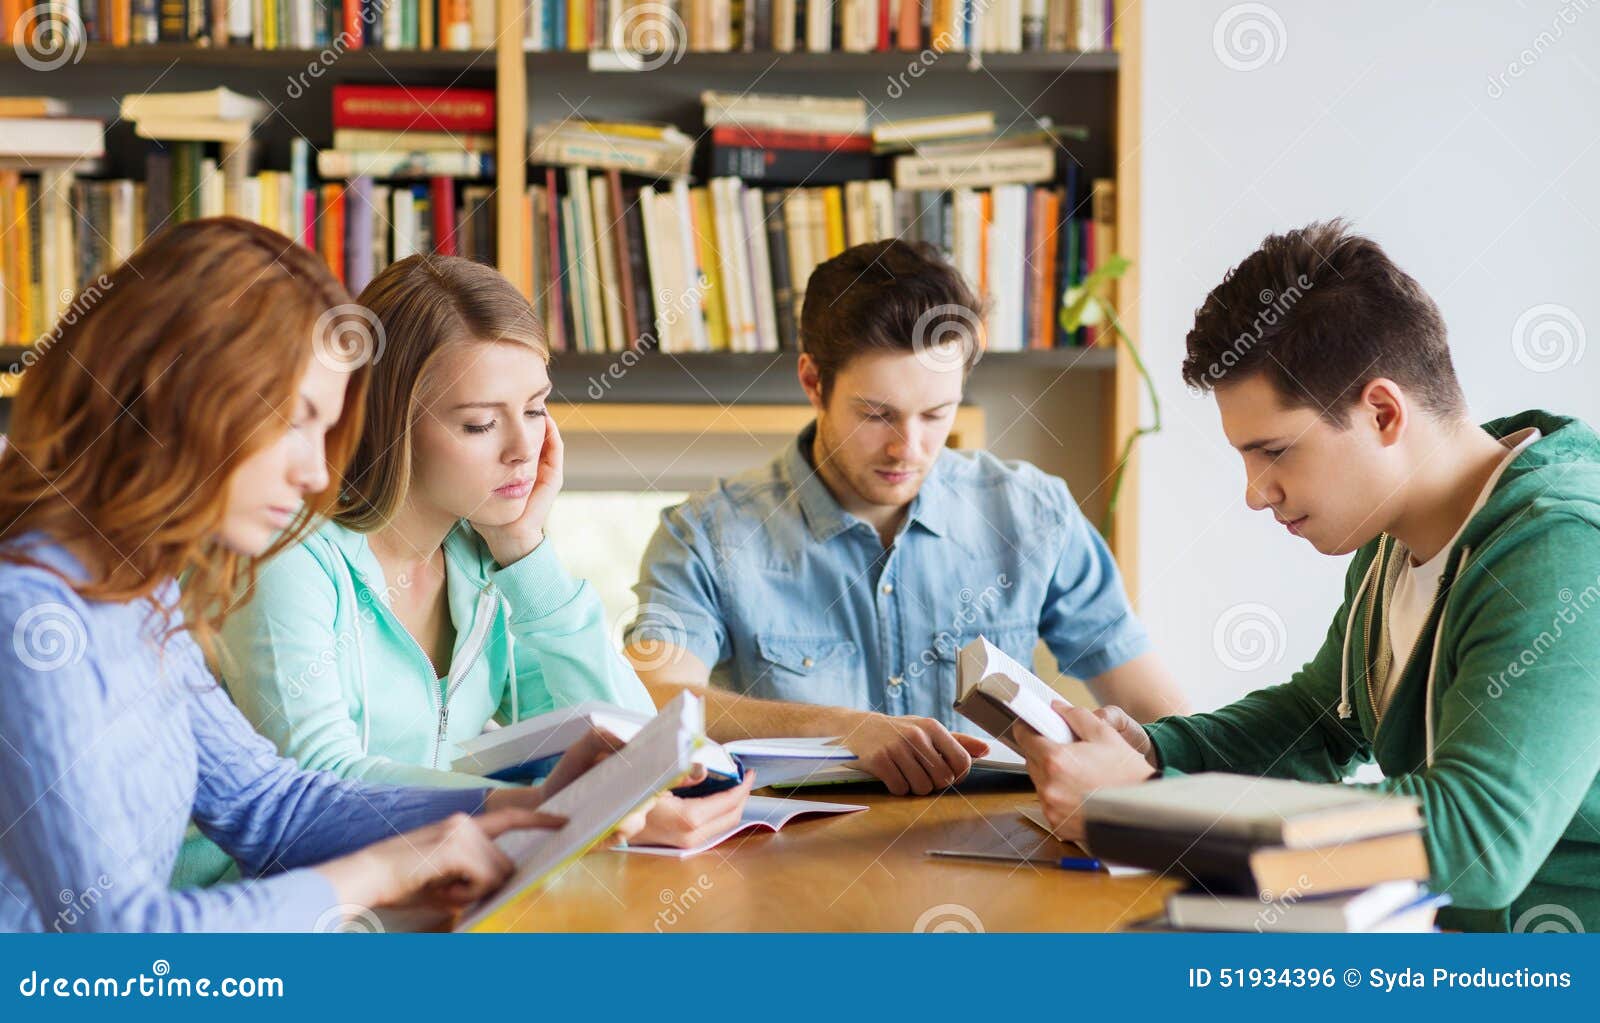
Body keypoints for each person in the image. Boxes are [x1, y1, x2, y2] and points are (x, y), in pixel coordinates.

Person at [0, 218, 644, 932]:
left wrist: (520, 806)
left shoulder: (134, 590)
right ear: (179, 394)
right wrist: (375, 872)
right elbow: (119, 942)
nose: (314, 471)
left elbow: (268, 803)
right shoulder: (27, 616)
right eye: (293, 422)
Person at [1012, 220, 1600, 932]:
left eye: (1275, 452)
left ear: (1383, 412)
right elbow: (1317, 723)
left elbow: (1481, 838)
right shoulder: (1391, 539)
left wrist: (1145, 806)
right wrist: (1154, 748)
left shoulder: (1561, 546)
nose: (1257, 492)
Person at [217, 255, 751, 851]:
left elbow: (629, 739)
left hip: (428, 891)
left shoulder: (483, 558)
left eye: (533, 408)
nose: (524, 448)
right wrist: (553, 808)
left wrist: (525, 552)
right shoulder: (289, 550)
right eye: (478, 425)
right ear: (387, 423)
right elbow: (319, 778)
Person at [626, 239, 1189, 796]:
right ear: (813, 382)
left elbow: (1160, 713)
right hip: (790, 863)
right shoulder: (705, 533)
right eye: (877, 415)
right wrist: (842, 729)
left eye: (936, 414)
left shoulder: (1033, 513)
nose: (908, 448)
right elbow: (655, 698)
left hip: (1000, 856)